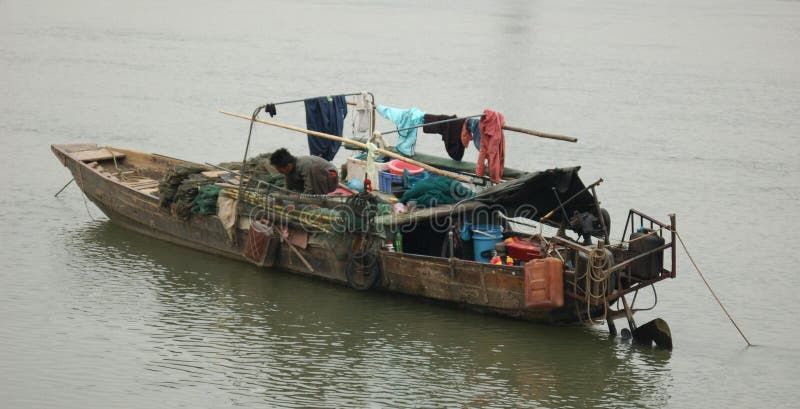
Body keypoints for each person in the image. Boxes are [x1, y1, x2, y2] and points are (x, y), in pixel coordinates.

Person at [269, 148, 339, 195]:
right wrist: (282, 195)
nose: (278, 171)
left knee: (314, 169)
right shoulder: (290, 168)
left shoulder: (304, 165)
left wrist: (301, 200)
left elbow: (309, 187)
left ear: (288, 166)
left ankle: (319, 197)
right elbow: (288, 187)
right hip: (317, 179)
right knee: (293, 178)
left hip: (330, 179)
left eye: (279, 169)